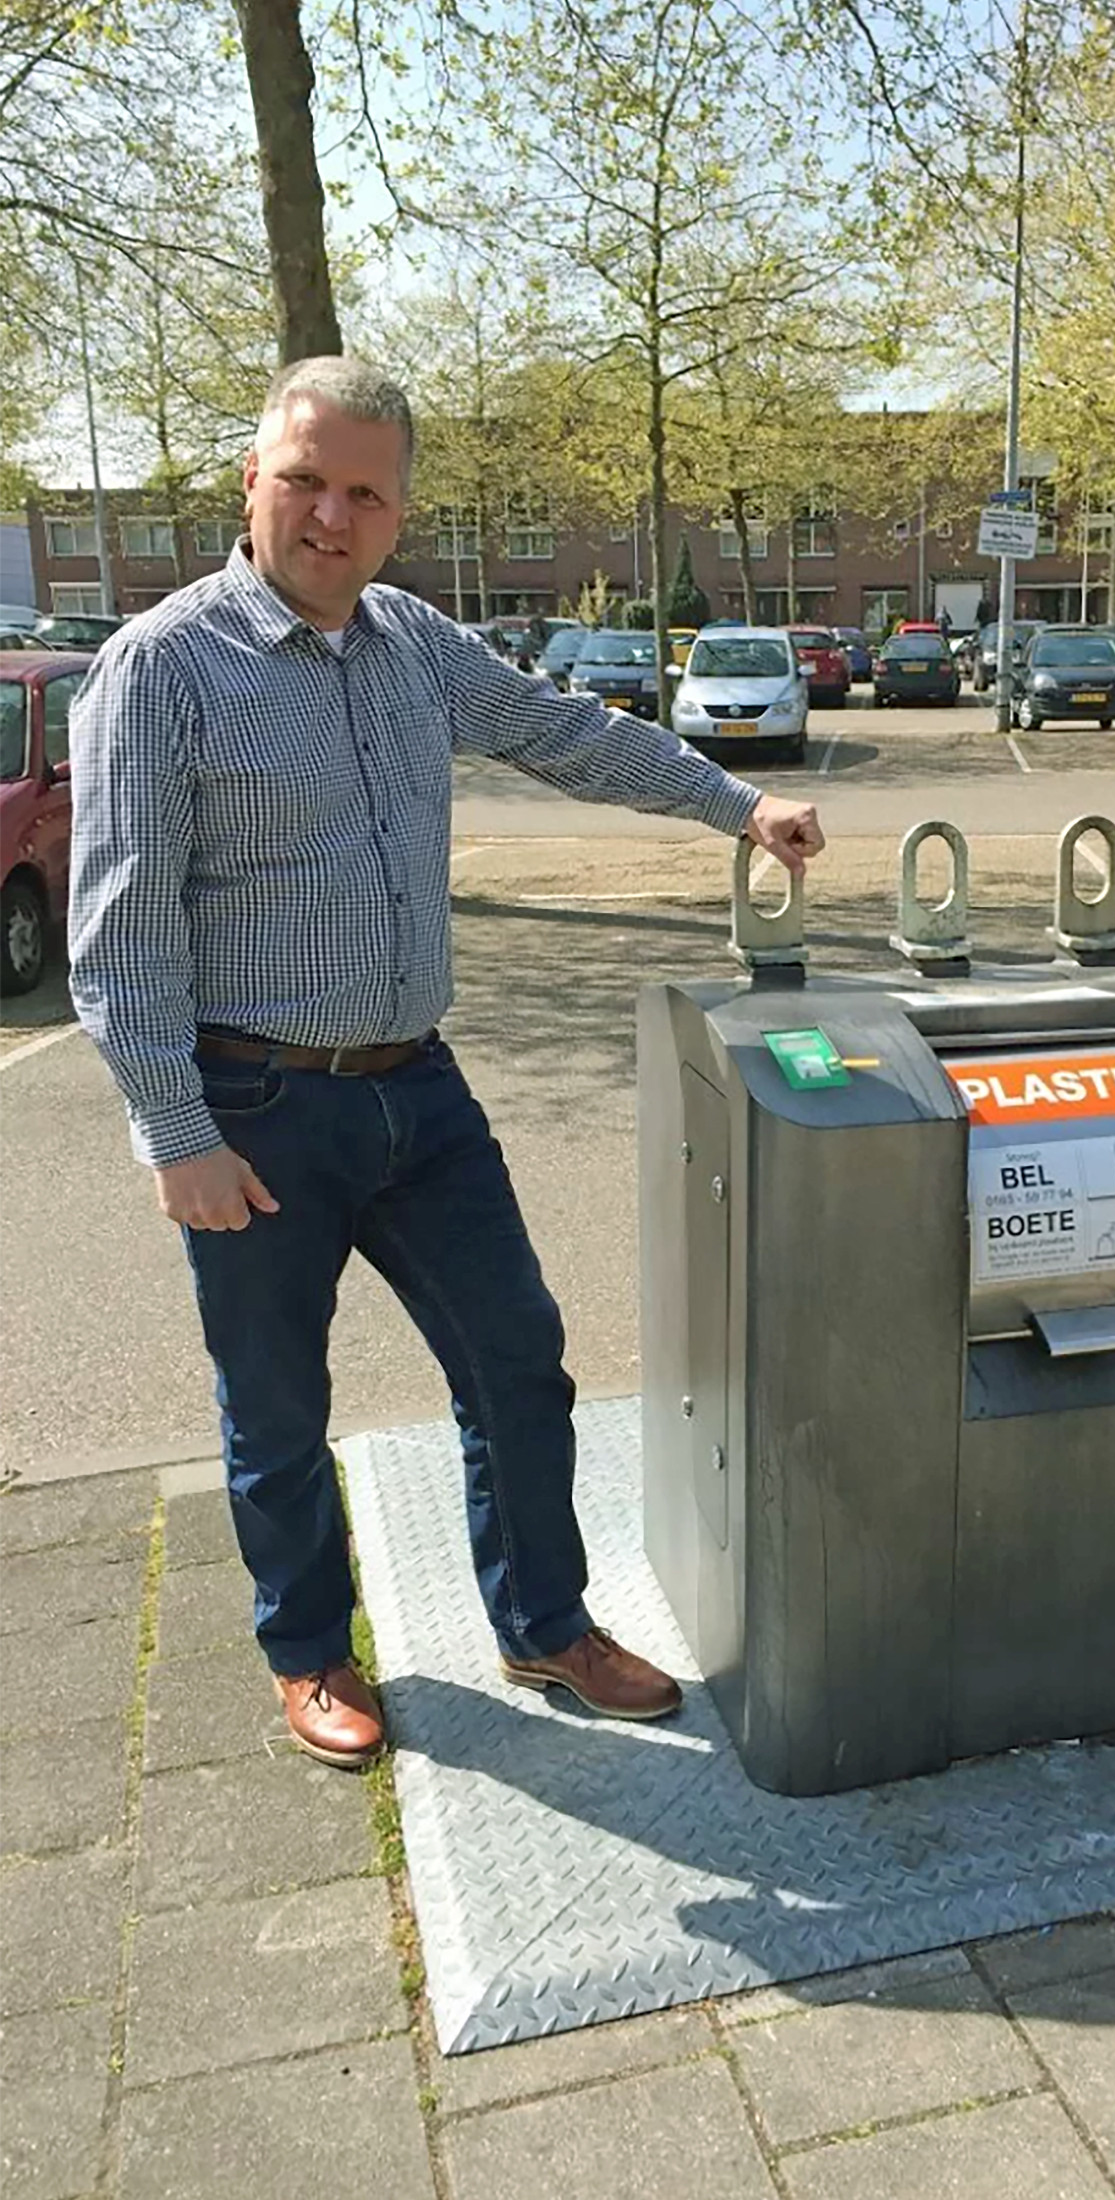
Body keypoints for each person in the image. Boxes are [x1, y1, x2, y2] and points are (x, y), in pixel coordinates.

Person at [68, 356, 825, 1771]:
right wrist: (176, 1135)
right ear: (251, 481)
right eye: (304, 479)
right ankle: (305, 1652)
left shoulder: (411, 640)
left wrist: (738, 805)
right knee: (279, 1404)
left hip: (418, 1083)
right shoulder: (161, 668)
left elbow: (566, 734)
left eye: (365, 492)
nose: (330, 515)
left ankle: (543, 1618)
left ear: (401, 512)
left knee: (518, 1358)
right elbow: (116, 934)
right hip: (254, 1100)